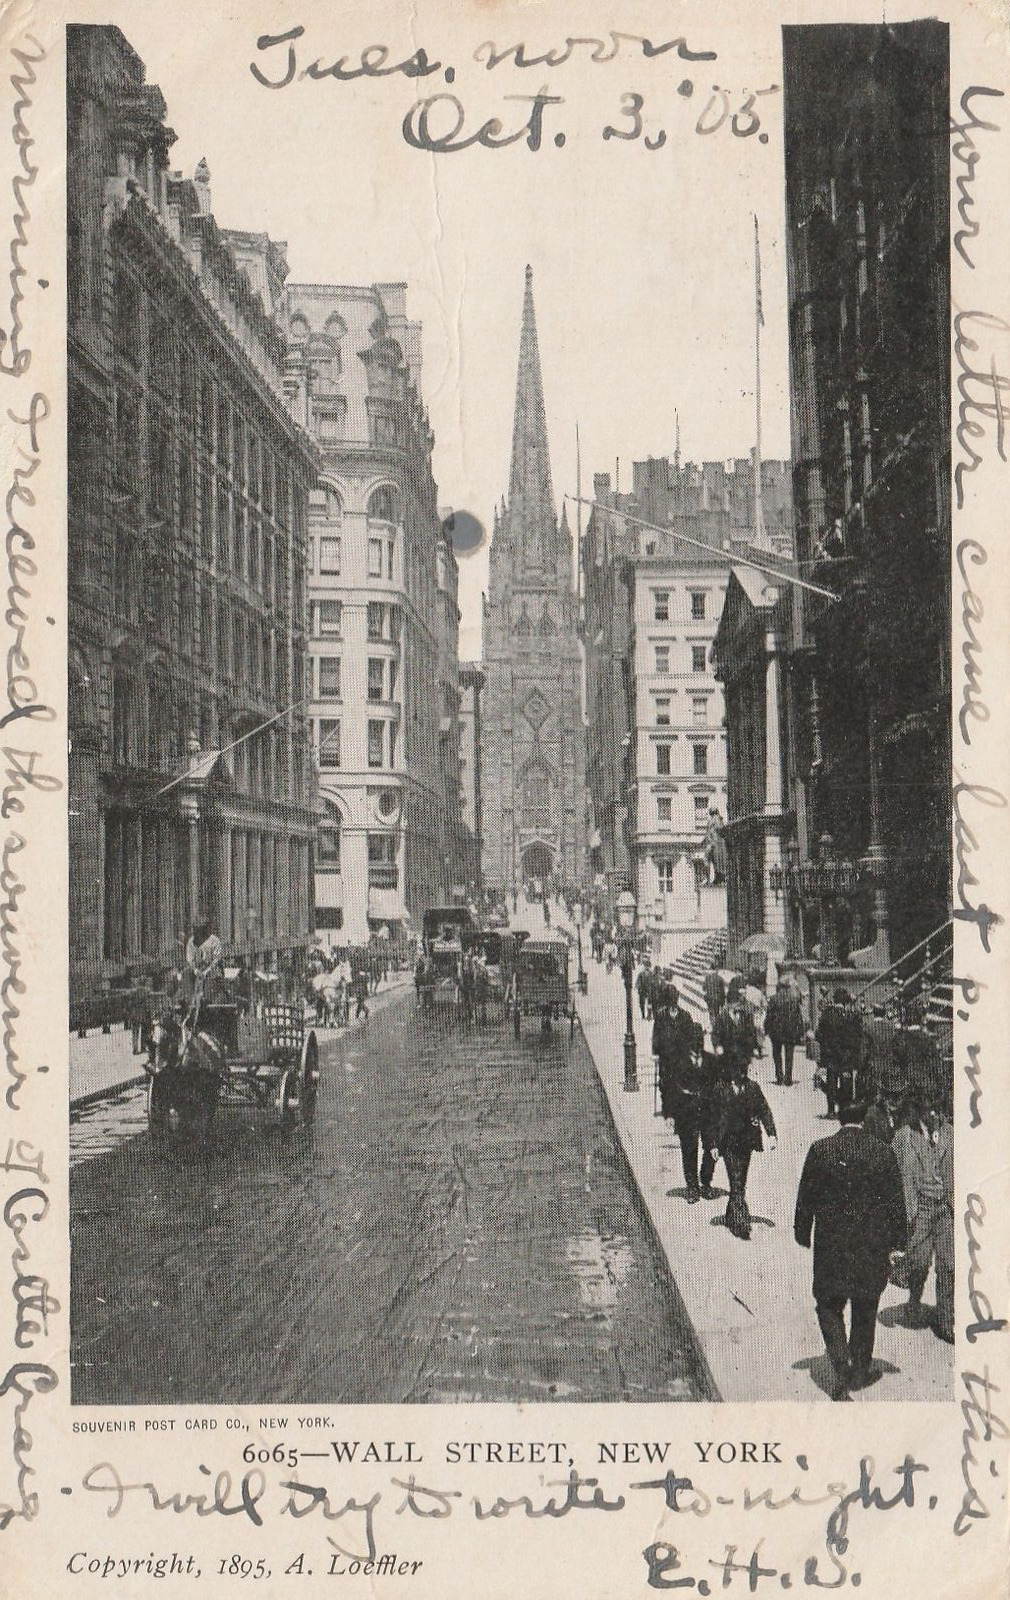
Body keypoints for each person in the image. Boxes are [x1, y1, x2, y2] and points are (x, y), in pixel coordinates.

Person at [794, 1100, 908, 1399]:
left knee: (828, 1304)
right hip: (871, 1247)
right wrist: (898, 1244)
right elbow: (896, 1202)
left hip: (832, 1246)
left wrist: (802, 1232)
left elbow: (806, 1195)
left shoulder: (821, 1150)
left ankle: (838, 1356)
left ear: (841, 1118)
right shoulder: (883, 1152)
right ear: (865, 1118)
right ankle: (859, 1370)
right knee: (865, 1306)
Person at [891, 1085, 954, 1342]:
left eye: (938, 1109)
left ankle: (946, 1319)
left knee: (949, 1265)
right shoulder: (904, 1137)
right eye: (929, 1110)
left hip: (945, 1209)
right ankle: (914, 1301)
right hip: (920, 1210)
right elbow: (892, 1176)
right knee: (919, 1262)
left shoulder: (951, 1134)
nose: (934, 1114)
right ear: (918, 1111)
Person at [654, 987, 710, 1203]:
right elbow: (657, 1039)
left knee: (707, 1145)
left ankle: (702, 1181)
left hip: (700, 1103)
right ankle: (692, 1186)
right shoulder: (661, 1017)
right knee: (689, 1147)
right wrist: (669, 1112)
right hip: (684, 1102)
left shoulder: (686, 1018)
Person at [712, 1058, 776, 1240]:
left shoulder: (753, 1088)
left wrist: (771, 1134)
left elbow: (764, 1110)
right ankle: (741, 1224)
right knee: (736, 1178)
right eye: (737, 1070)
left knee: (740, 1178)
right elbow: (711, 1119)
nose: (741, 1074)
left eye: (743, 1070)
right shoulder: (720, 1089)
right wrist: (712, 1145)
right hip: (728, 1142)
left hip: (746, 1142)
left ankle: (731, 1214)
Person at [764, 978, 805, 1086]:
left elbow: (769, 1016)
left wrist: (766, 1029)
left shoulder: (774, 999)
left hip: (776, 1031)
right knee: (789, 1055)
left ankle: (779, 1077)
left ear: (779, 987)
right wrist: (800, 1031)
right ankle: (788, 1079)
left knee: (776, 1054)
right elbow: (798, 1017)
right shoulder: (793, 999)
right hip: (790, 1031)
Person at [815, 988, 847, 1118]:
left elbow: (818, 1034)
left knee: (831, 1081)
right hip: (845, 1053)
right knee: (845, 1081)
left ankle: (831, 1110)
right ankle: (844, 1109)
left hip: (830, 1053)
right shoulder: (849, 1014)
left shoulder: (827, 1014)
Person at [861, 1002, 899, 1104]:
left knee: (873, 1093)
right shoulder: (892, 1029)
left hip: (874, 1065)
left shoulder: (868, 1028)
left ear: (873, 1013)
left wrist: (862, 1065)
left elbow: (865, 1050)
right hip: (890, 1065)